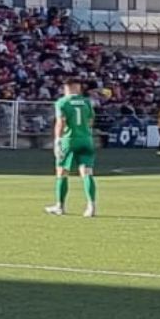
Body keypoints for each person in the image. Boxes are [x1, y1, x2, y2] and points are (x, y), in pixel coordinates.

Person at [46, 78, 99, 218]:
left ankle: (60, 206)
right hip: (86, 140)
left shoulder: (62, 102)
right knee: (87, 172)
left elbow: (60, 122)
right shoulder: (87, 102)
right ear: (79, 87)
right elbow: (90, 121)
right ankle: (91, 206)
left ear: (67, 87)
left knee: (62, 172)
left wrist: (57, 140)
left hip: (69, 140)